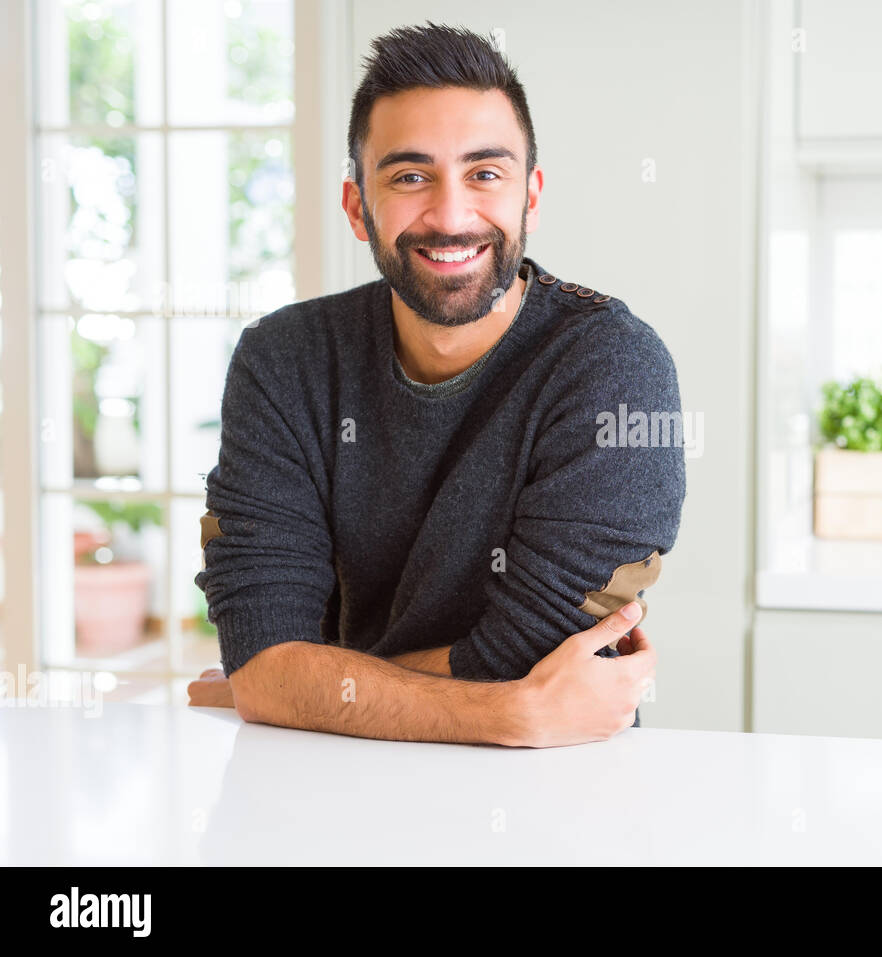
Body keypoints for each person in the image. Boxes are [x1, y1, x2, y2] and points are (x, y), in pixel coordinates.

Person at [186, 22, 686, 748]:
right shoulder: (283, 360)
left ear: (530, 197)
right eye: (410, 177)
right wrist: (507, 712)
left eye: (485, 174)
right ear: (357, 207)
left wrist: (295, 685)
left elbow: (523, 657)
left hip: (555, 784)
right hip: (329, 785)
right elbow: (265, 663)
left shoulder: (614, 368)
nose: (452, 216)